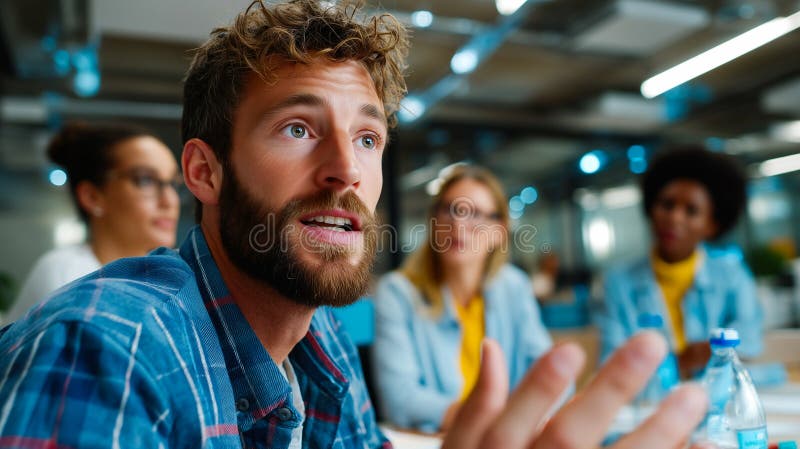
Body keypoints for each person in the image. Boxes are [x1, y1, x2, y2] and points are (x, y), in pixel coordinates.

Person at [0, 2, 708, 448]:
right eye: (298, 128)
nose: (345, 170)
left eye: (368, 139)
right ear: (205, 171)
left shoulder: (322, 334)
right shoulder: (109, 347)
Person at [372, 164, 552, 432]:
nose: (458, 223)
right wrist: (490, 420)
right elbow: (400, 399)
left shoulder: (514, 287)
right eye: (449, 209)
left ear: (499, 231)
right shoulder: (397, 293)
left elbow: (549, 377)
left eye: (475, 214)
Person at [596, 144, 761, 379]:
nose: (674, 218)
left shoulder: (732, 275)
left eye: (691, 211)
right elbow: (611, 361)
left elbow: (750, 339)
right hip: (648, 398)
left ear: (712, 225)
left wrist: (676, 362)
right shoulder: (617, 282)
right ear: (651, 209)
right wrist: (684, 361)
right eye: (667, 204)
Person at [5, 122, 180, 323]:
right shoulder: (66, 275)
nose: (170, 201)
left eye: (174, 184)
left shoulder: (168, 280)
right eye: (145, 180)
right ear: (92, 197)